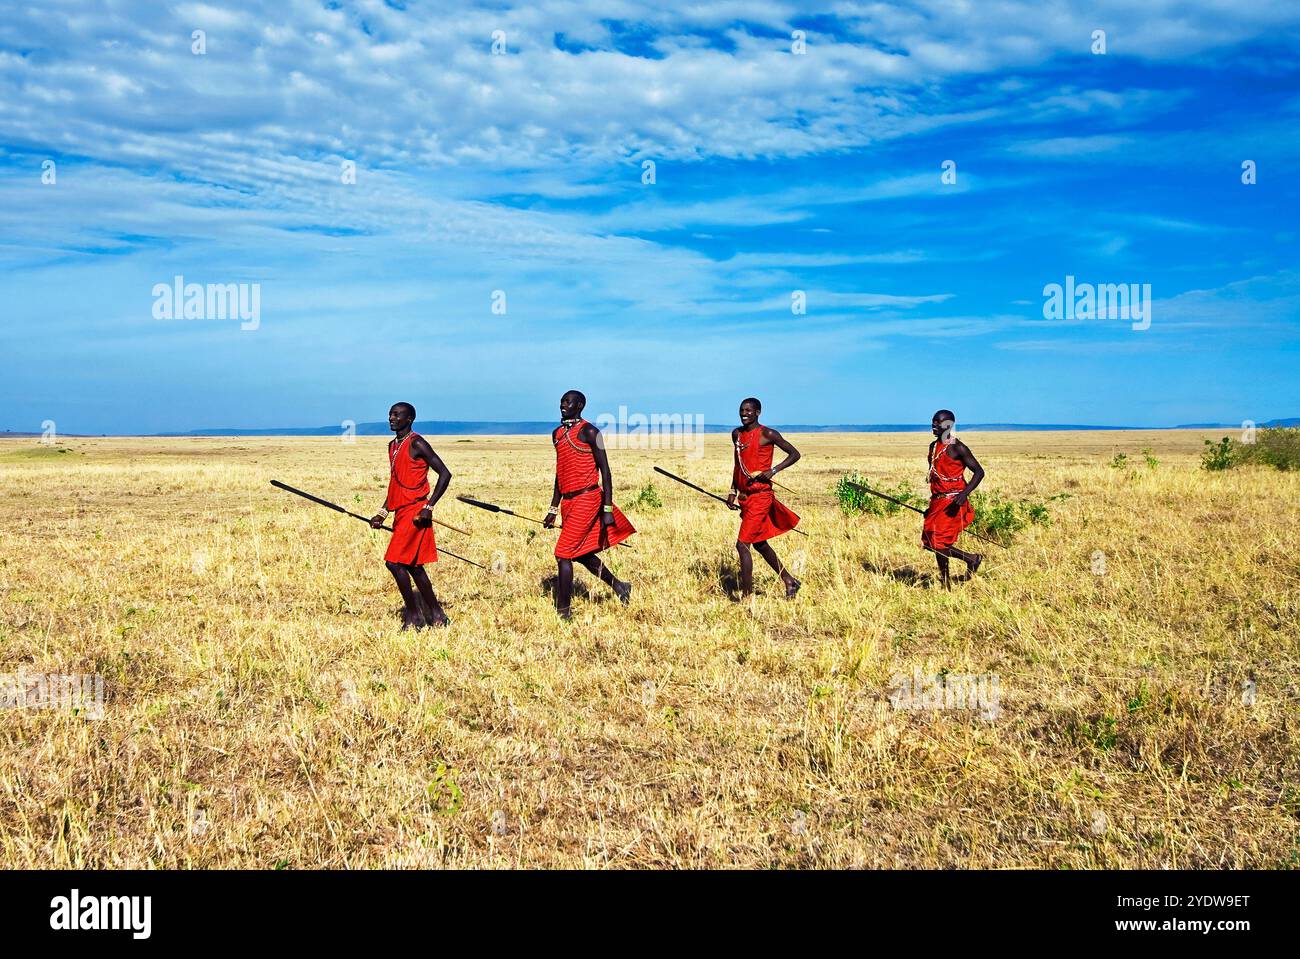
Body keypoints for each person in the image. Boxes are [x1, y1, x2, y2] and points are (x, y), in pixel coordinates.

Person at [543, 390, 635, 618]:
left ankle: (563, 611)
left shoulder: (590, 432)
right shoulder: (557, 434)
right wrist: (553, 508)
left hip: (588, 498)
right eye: (562, 401)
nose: (563, 405)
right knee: (580, 553)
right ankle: (620, 586)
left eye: (568, 402)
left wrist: (607, 509)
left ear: (580, 405)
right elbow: (559, 473)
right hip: (568, 502)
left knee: (563, 553)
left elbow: (606, 472)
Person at [369, 402, 452, 628]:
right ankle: (437, 615)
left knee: (394, 563)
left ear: (410, 419)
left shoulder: (417, 442)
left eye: (397, 415)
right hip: (401, 512)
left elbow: (445, 474)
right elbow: (395, 483)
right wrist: (382, 513)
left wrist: (429, 507)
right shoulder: (392, 446)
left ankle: (414, 616)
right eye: (390, 414)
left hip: (416, 513)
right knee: (414, 566)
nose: (391, 418)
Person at [726, 397, 802, 598]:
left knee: (742, 545)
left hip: (761, 496)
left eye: (749, 410)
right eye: (742, 410)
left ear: (758, 412)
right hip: (745, 497)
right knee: (759, 543)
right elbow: (738, 466)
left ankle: (747, 597)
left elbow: (795, 454)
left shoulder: (768, 434)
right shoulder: (737, 435)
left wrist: (772, 470)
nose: (744, 413)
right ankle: (789, 580)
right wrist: (733, 491)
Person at [922, 409, 985, 589]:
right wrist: (932, 507)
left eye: (938, 422)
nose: (933, 425)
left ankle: (948, 581)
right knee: (930, 541)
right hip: (937, 501)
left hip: (953, 502)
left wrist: (964, 493)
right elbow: (936, 477)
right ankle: (969, 561)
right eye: (933, 421)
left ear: (948, 425)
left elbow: (979, 472)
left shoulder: (958, 447)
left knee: (938, 542)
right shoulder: (933, 447)